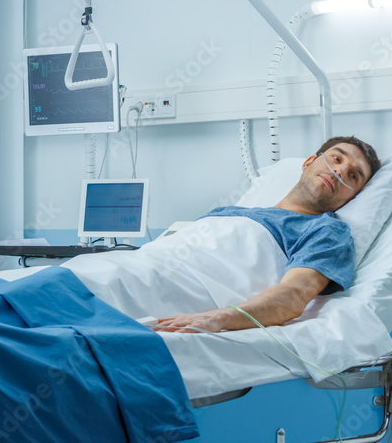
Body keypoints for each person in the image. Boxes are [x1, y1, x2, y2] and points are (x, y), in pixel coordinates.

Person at [152, 135, 380, 334]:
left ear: (352, 198)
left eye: (353, 176)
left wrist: (219, 318)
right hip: (147, 266)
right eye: (336, 159)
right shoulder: (227, 212)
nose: (340, 170)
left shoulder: (326, 231)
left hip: (172, 293)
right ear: (309, 161)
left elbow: (293, 296)